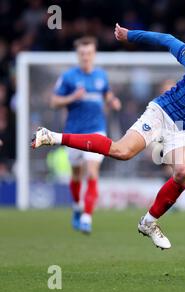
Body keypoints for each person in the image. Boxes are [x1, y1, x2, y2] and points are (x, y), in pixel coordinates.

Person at [32, 24, 185, 248]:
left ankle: (148, 222)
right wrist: (130, 35)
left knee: (183, 173)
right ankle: (52, 136)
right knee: (122, 152)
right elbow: (168, 39)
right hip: (163, 112)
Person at [50, 36, 121, 234]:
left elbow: (106, 93)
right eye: (82, 54)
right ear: (77, 55)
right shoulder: (68, 77)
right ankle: (77, 206)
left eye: (89, 53)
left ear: (94, 54)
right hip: (73, 133)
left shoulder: (101, 76)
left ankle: (87, 217)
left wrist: (112, 101)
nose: (85, 57)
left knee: (92, 172)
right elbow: (54, 102)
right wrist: (72, 97)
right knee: (76, 175)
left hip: (96, 131)